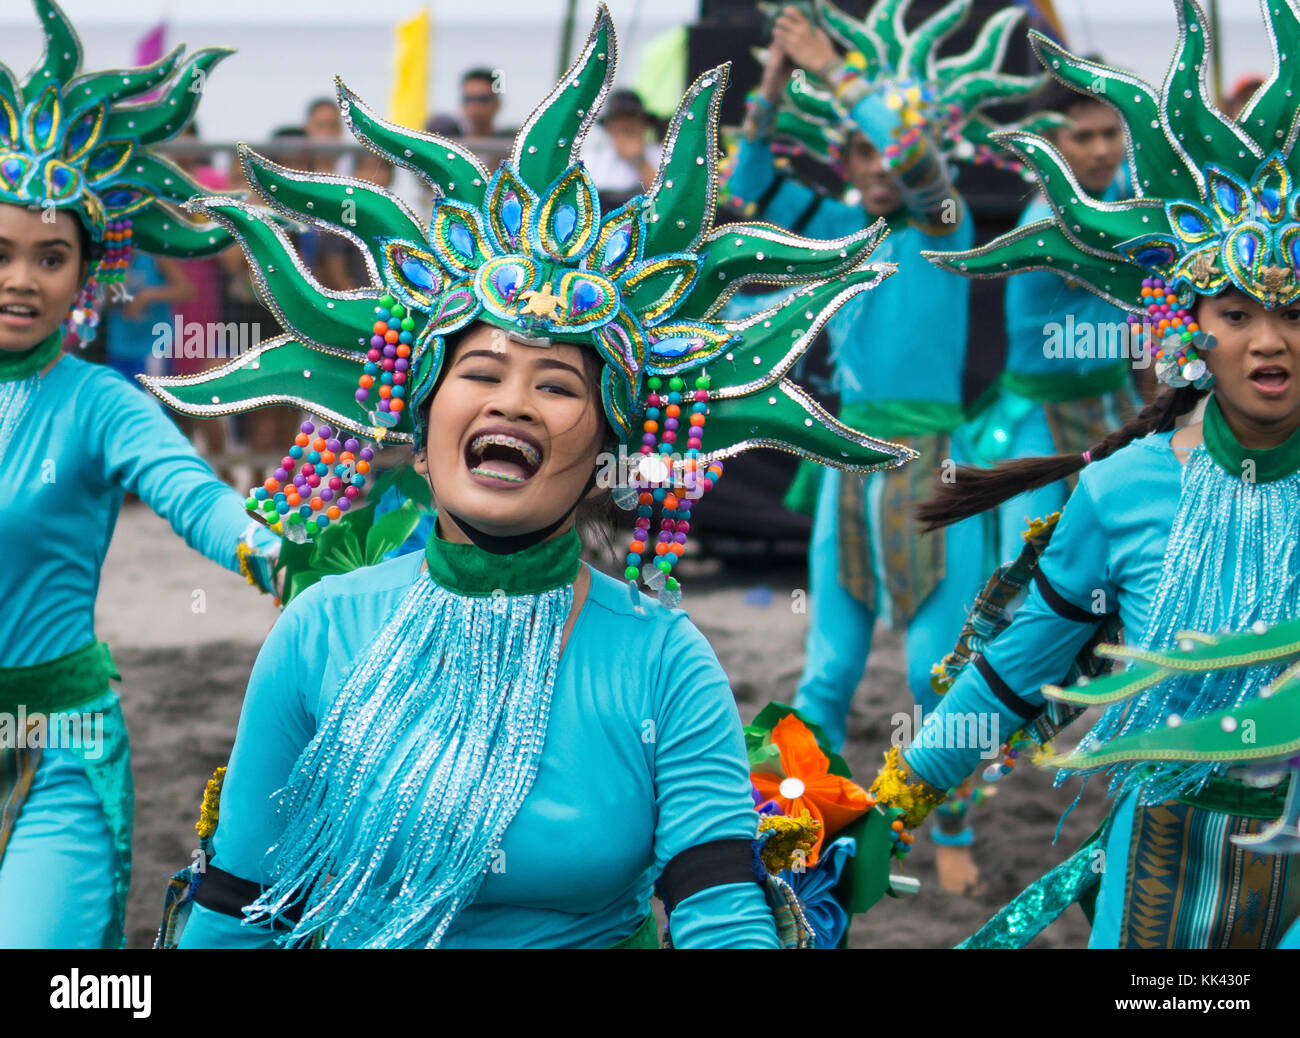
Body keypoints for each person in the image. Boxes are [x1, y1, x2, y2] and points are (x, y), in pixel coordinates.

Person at [143, 8, 913, 948]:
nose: (513, 402)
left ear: (603, 456)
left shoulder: (666, 661)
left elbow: (719, 910)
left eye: (556, 384)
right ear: (419, 434)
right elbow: (234, 911)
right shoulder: (318, 631)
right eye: (478, 373)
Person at [876, 0, 1300, 948]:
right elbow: (1012, 680)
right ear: (1191, 325)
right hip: (1158, 870)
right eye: (1235, 312)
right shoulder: (1123, 490)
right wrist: (888, 804)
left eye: (1295, 311)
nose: (1269, 340)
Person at [724, 2, 1050, 890]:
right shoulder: (839, 232)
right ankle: (795, 834)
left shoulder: (944, 227)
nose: (875, 167)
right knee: (825, 669)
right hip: (849, 471)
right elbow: (746, 184)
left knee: (929, 672)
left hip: (931, 473)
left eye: (884, 153)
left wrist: (832, 65)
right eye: (859, 155)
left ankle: (949, 838)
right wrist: (776, 76)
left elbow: (915, 162)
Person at [0, 0, 278, 949]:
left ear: (87, 276)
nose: (22, 279)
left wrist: (268, 549)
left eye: (50, 257)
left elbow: (192, 496)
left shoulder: (100, 403)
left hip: (55, 747)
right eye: (2, 253)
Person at [955, 74, 1141, 565]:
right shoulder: (1046, 224)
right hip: (1037, 419)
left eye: (1111, 131)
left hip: (1114, 406)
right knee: (1023, 570)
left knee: (1126, 559)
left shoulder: (1121, 194)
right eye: (1083, 136)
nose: (1101, 149)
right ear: (1050, 146)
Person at [583, 89, 662, 204]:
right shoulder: (590, 162)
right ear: (609, 126)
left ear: (644, 123)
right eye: (619, 120)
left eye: (631, 118)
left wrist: (639, 161)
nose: (626, 126)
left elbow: (666, 201)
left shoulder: (661, 156)